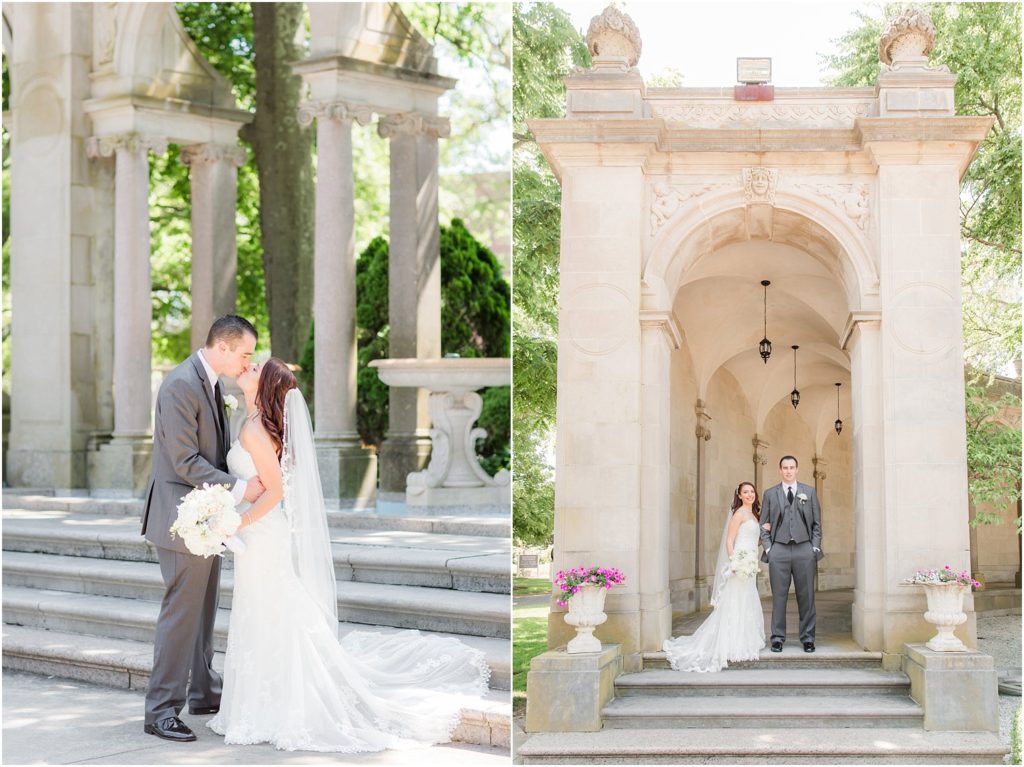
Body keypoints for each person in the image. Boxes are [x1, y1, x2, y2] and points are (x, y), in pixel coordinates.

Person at [208, 358, 489, 752]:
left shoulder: (256, 430)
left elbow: (275, 490)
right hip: (258, 534)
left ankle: (274, 705)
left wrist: (239, 521)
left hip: (261, 533)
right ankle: (258, 703)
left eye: (255, 367)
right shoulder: (254, 421)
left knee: (269, 609)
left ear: (266, 385)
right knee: (260, 610)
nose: (248, 367)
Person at [142, 316, 265, 742]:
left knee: (203, 609)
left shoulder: (211, 383)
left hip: (205, 517)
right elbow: (184, 461)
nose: (249, 361)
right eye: (246, 353)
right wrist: (242, 486)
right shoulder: (181, 384)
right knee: (181, 614)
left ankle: (203, 689)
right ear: (224, 347)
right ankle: (161, 709)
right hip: (181, 520)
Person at [662, 482, 766, 672]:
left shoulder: (754, 515)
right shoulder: (739, 514)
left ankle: (743, 639)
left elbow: (753, 541)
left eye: (752, 491)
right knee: (735, 601)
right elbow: (729, 540)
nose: (750, 495)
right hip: (739, 564)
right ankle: (730, 643)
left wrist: (765, 531)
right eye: (746, 492)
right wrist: (734, 562)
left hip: (750, 564)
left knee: (747, 600)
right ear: (740, 496)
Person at [758, 455, 823, 653]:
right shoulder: (770, 494)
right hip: (779, 550)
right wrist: (769, 548)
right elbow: (763, 524)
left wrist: (814, 548)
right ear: (780, 470)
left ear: (797, 469)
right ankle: (777, 637)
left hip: (804, 549)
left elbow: (817, 525)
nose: (788, 471)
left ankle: (808, 638)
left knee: (807, 597)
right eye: (785, 467)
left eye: (791, 467)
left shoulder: (809, 492)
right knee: (779, 596)